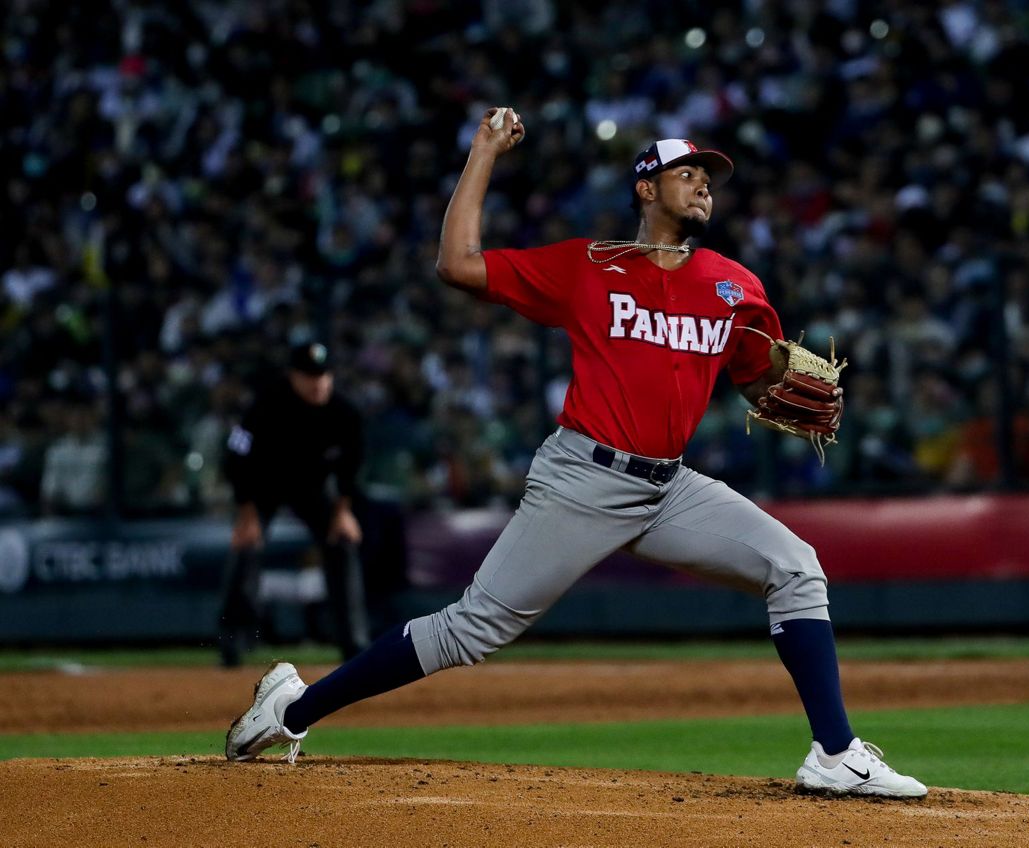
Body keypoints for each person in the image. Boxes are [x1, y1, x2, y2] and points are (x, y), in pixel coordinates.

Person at [225, 109, 927, 798]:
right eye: (687, 173)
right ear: (646, 188)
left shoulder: (735, 286)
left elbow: (755, 377)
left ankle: (835, 754)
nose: (704, 184)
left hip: (669, 488)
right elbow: (457, 265)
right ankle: (293, 709)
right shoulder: (588, 266)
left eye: (708, 177)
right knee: (471, 630)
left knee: (795, 568)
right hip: (583, 480)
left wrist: (782, 380)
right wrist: (483, 153)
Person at [218, 341, 370, 667]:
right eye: (309, 375)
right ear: (293, 376)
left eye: (323, 375)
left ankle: (354, 642)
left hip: (312, 487)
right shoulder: (265, 404)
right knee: (246, 547)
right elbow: (235, 460)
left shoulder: (344, 412)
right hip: (264, 485)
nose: (318, 383)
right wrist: (247, 514)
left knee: (343, 541)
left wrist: (342, 512)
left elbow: (351, 467)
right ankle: (234, 642)